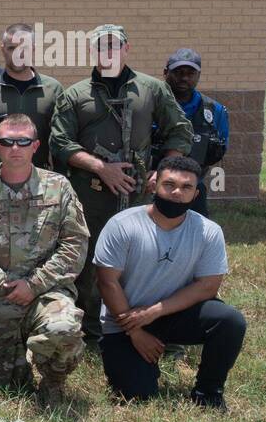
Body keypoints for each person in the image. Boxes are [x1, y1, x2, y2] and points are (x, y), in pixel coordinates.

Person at [49, 23, 193, 350]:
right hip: (91, 196)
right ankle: (91, 333)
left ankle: (153, 329)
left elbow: (180, 131)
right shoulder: (75, 95)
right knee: (91, 263)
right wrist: (100, 167)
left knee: (149, 260)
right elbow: (60, 142)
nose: (108, 52)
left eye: (115, 46)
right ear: (93, 51)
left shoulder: (151, 89)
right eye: (102, 47)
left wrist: (163, 170)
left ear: (127, 49)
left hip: (141, 195)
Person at [0, 114, 88, 407]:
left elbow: (74, 244)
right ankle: (21, 359)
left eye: (23, 141)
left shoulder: (58, 187)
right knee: (0, 388)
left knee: (63, 330)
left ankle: (52, 381)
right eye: (7, 142)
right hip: (0, 295)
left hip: (48, 291)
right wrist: (0, 282)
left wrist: (34, 283)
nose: (15, 148)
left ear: (35, 146)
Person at [94, 156, 243, 409]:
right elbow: (107, 282)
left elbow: (208, 286)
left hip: (172, 313)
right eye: (169, 184)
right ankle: (139, 366)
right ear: (154, 186)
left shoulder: (208, 231)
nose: (176, 193)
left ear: (196, 194)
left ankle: (208, 393)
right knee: (137, 396)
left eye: (186, 188)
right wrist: (135, 331)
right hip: (125, 320)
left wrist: (155, 311)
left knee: (230, 321)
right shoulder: (122, 225)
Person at [0, 23, 65, 170]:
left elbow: (60, 140)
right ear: (2, 50)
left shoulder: (53, 89)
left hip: (39, 181)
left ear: (33, 50)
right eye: (11, 48)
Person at [156, 48, 228, 217]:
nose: (184, 78)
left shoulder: (215, 111)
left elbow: (219, 149)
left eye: (191, 73)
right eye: (178, 72)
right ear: (165, 72)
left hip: (193, 188)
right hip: (154, 184)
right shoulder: (151, 105)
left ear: (198, 75)